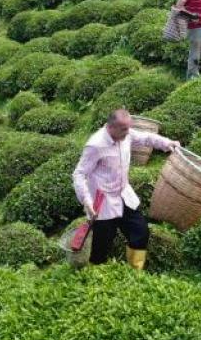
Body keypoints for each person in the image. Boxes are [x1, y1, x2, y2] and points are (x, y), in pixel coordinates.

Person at [72, 109, 178, 270]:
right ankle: (94, 278)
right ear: (111, 127)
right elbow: (79, 174)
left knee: (140, 231)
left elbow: (146, 138)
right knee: (102, 245)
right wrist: (86, 200)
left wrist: (167, 143)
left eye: (129, 128)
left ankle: (134, 272)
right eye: (124, 129)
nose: (128, 132)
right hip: (102, 202)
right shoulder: (95, 145)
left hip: (123, 194)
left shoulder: (125, 134)